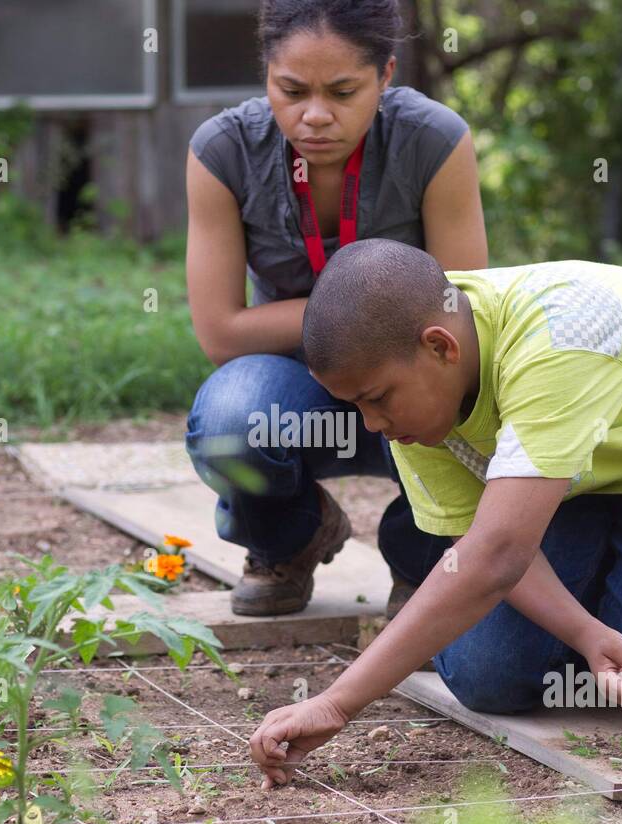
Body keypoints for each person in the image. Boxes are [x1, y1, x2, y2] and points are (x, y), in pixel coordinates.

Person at [248, 239, 622, 788]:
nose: (373, 423)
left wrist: (338, 703)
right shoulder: (407, 389)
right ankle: (614, 586)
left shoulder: (561, 339)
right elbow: (476, 551)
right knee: (487, 677)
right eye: (356, 404)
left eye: (378, 399)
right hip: (570, 471)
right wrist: (585, 631)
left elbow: (496, 555)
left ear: (441, 347)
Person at [184, 0, 488, 617]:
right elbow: (220, 333)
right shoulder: (223, 152)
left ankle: (419, 562)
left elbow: (462, 314)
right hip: (294, 386)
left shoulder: (434, 140)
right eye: (290, 90)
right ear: (266, 72)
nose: (314, 116)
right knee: (226, 424)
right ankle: (289, 537)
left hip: (411, 386)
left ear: (386, 75)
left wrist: (378, 333)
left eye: (344, 91)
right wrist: (373, 312)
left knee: (459, 393)